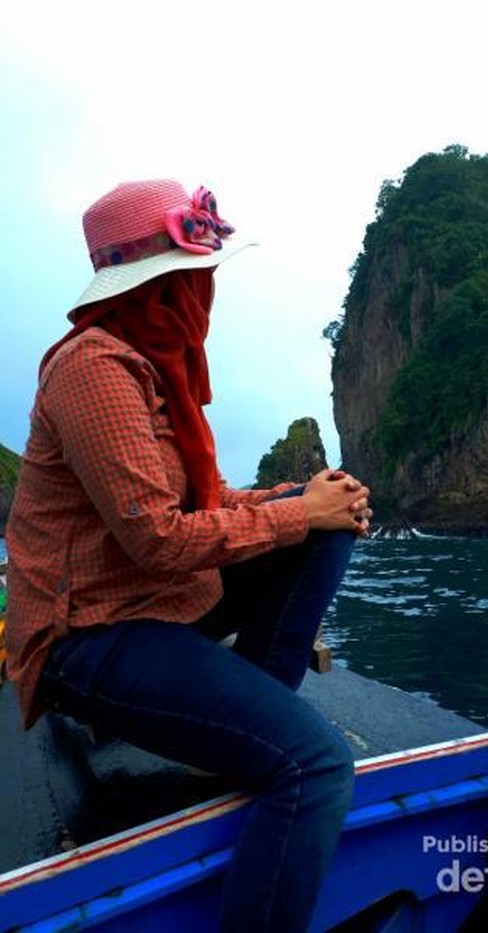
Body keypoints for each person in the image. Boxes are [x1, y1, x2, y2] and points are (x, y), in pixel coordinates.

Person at [5, 178, 372, 932]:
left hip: (153, 605)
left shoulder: (157, 368)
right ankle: (271, 754)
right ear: (165, 284)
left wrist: (302, 500)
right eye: (197, 275)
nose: (207, 291)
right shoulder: (96, 369)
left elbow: (204, 502)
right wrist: (296, 512)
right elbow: (160, 536)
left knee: (321, 523)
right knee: (316, 766)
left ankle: (241, 736)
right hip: (92, 634)